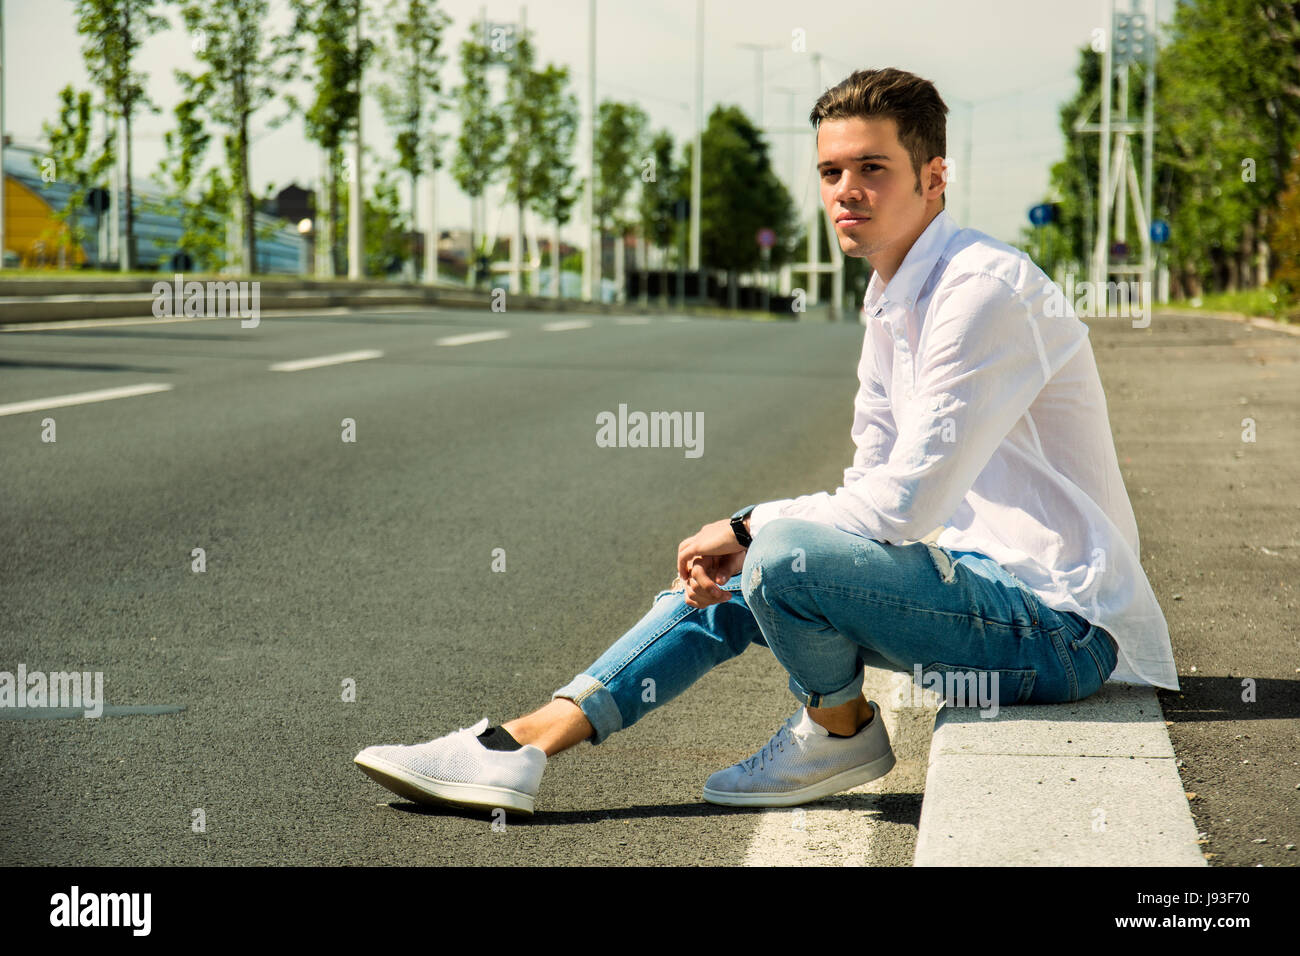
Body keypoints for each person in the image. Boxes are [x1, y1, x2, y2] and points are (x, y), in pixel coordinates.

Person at [354, 66, 1177, 817]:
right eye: (830, 173)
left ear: (934, 179)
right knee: (756, 570)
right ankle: (525, 744)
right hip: (972, 593)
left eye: (872, 169)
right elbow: (872, 479)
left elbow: (903, 504)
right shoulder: (893, 296)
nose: (846, 192)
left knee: (782, 556)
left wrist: (751, 527)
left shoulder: (982, 291)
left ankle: (841, 727)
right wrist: (754, 541)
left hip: (1058, 628)